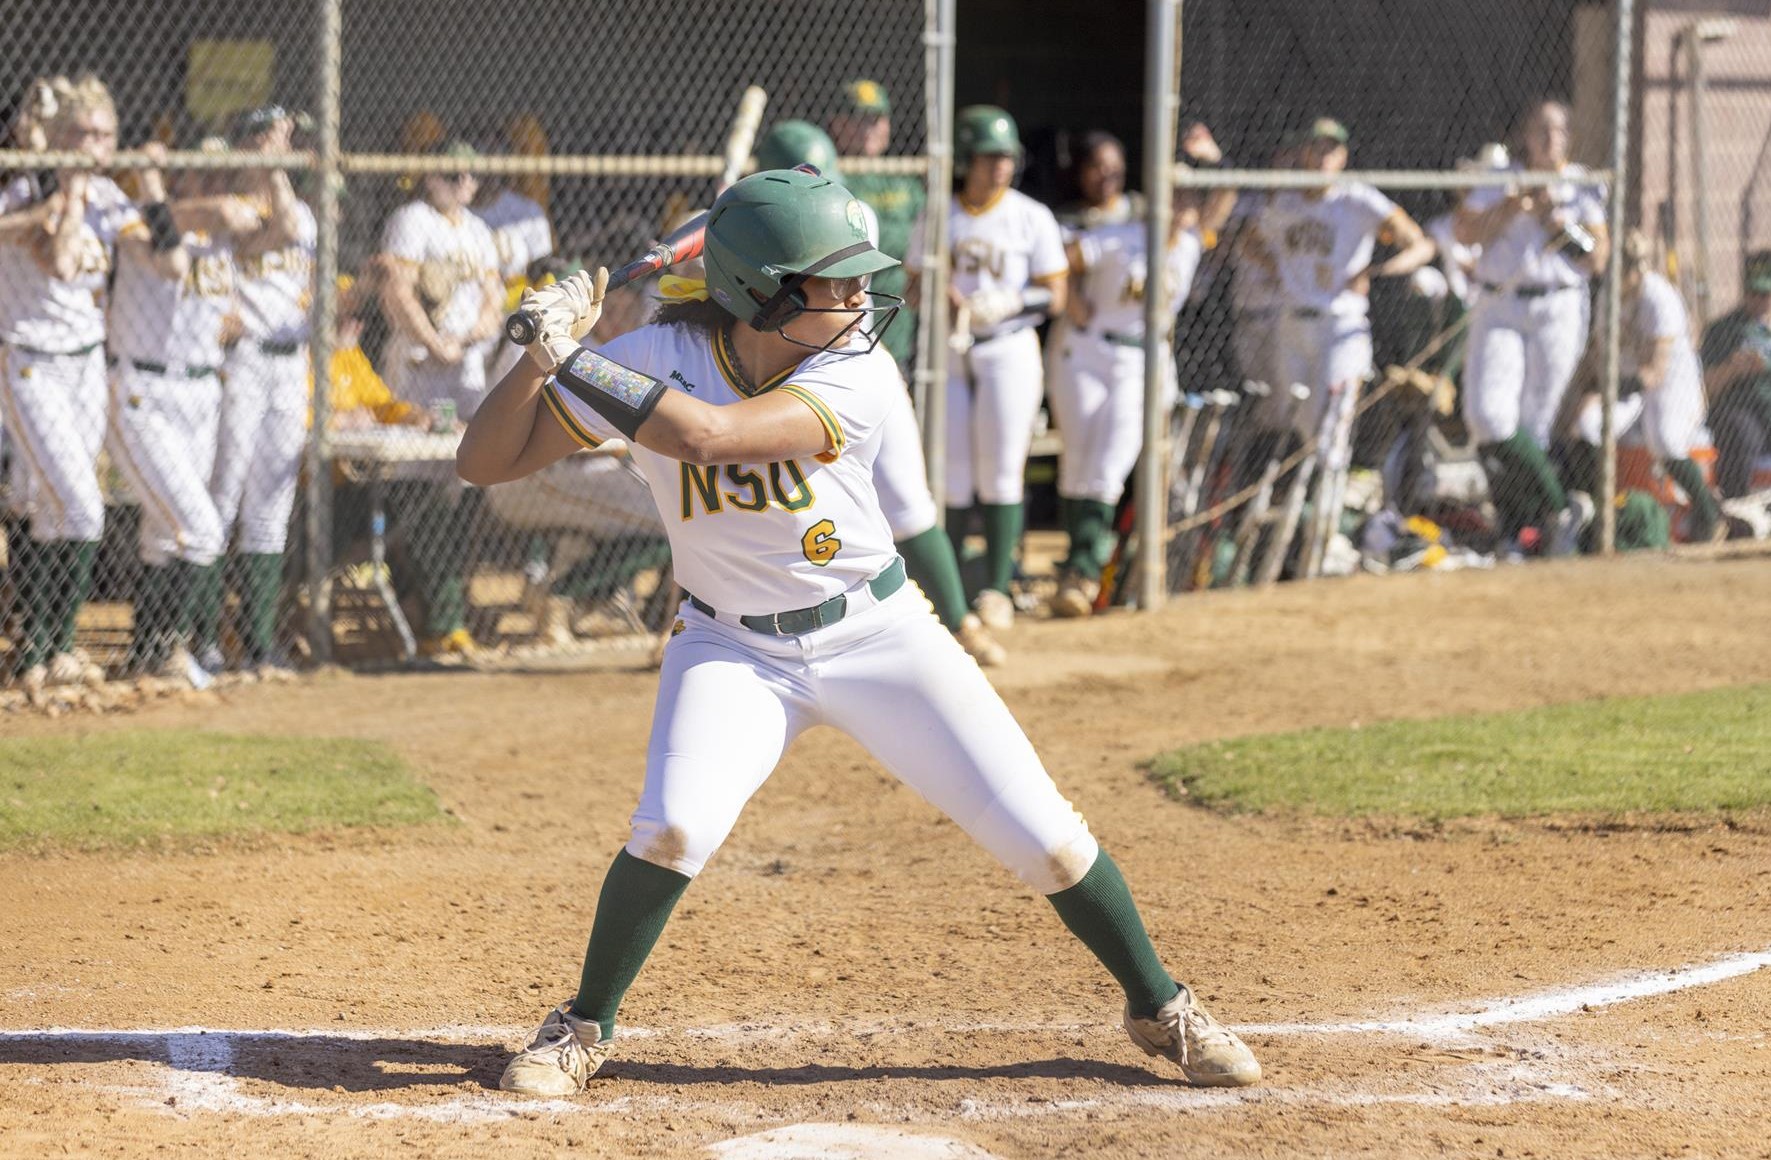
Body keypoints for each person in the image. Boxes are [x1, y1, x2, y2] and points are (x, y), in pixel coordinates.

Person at [457, 167, 1260, 1097]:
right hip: (730, 648)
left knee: (1045, 840)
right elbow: (484, 461)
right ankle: (582, 1026)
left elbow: (710, 437)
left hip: (878, 633)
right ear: (761, 290)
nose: (858, 297)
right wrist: (536, 355)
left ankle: (1159, 1004)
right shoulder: (650, 355)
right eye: (832, 282)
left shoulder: (856, 368)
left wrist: (574, 355)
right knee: (673, 827)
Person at [754, 124, 1004, 664]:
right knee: (743, 507)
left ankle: (961, 624)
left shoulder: (850, 215)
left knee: (908, 503)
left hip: (855, 368)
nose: (820, 193)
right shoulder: (741, 220)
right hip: (777, 382)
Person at [1048, 125, 1235, 616]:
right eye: (1175, 195)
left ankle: (1085, 571)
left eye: (1188, 196)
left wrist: (1212, 164)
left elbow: (1226, 198)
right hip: (1085, 353)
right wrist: (1070, 301)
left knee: (1110, 461)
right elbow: (1058, 260)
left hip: (1141, 361)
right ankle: (1076, 569)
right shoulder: (1124, 234)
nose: (1183, 204)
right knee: (1079, 463)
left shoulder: (1190, 242)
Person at [906, 106, 1068, 631]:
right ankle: (948, 593)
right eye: (989, 157)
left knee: (1000, 470)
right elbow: (911, 287)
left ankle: (996, 590)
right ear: (967, 159)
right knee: (951, 473)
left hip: (1008, 344)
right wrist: (939, 289)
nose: (999, 167)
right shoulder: (939, 214)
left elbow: (1058, 293)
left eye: (1005, 157)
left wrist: (1013, 300)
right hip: (951, 347)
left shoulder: (1029, 215)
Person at [106, 138, 261, 681]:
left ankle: (146, 655)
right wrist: (157, 188)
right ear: (179, 179)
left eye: (220, 173)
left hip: (202, 391)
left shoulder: (219, 235)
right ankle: (176, 650)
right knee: (199, 527)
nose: (216, 185)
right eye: (203, 173)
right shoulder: (133, 219)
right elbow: (169, 257)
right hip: (143, 389)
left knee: (163, 532)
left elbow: (246, 220)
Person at [0, 74, 133, 690]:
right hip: (29, 358)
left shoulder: (108, 194)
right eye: (81, 132)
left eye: (104, 134)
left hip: (86, 361)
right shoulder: (25, 184)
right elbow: (53, 259)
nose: (94, 144)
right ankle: (50, 643)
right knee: (80, 506)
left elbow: (157, 243)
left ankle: (42, 653)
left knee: (49, 507)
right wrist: (57, 205)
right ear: (56, 136)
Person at [189, 107, 315, 674]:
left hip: (291, 366)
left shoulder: (304, 212)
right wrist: (269, 164)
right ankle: (202, 641)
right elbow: (277, 233)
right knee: (223, 496)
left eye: (285, 141)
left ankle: (257, 643)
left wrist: (279, 166)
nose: (280, 149)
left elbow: (296, 240)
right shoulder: (232, 213)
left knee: (272, 506)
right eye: (268, 140)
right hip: (241, 364)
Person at [1247, 118, 1434, 497]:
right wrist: (1281, 269)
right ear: (1303, 153)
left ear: (1343, 157)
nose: (1321, 157)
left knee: (1330, 428)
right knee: (1304, 424)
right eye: (1315, 148)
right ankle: (1320, 512)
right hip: (1292, 323)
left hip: (1340, 325)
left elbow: (1419, 243)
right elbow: (1249, 241)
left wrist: (1379, 270)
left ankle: (1326, 525)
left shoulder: (1356, 199)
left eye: (1330, 150)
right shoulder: (1287, 200)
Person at [1454, 98, 1608, 555]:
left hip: (1557, 307)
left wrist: (1549, 215)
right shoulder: (1500, 177)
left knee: (1535, 425)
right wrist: (1511, 207)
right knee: (1487, 416)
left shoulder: (1581, 185)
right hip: (1501, 304)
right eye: (1540, 128)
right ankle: (1561, 508)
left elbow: (1595, 258)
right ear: (1525, 134)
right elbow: (1465, 232)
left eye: (1558, 130)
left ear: (1569, 138)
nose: (1549, 138)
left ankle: (1520, 529)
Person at [375, 139, 503, 657]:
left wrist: (468, 339)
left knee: (461, 478)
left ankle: (436, 605)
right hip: (420, 368)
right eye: (453, 175)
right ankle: (431, 608)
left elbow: (495, 300)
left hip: (465, 369)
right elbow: (396, 291)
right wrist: (433, 341)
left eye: (471, 175)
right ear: (431, 178)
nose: (464, 184)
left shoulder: (478, 230)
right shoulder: (412, 220)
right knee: (416, 476)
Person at [1569, 230, 1719, 542]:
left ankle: (1710, 515)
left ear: (1638, 270)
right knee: (1586, 424)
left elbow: (1655, 371)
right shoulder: (1609, 295)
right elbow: (1596, 353)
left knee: (1663, 439)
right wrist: (1580, 396)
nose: (1621, 277)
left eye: (1627, 270)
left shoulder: (1659, 298)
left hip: (1671, 385)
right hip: (1625, 382)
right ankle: (1597, 518)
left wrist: (1607, 390)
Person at [827, 80, 923, 369]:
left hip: (896, 307)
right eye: (858, 119)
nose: (869, 127)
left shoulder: (904, 178)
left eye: (876, 119)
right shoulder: (831, 179)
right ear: (837, 124)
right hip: (846, 300)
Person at [1699, 249, 1771, 514]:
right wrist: (1733, 368)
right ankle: (1733, 511)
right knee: (1739, 431)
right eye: (1754, 293)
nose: (1760, 301)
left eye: (1765, 294)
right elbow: (1703, 388)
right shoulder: (1723, 330)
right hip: (1738, 413)